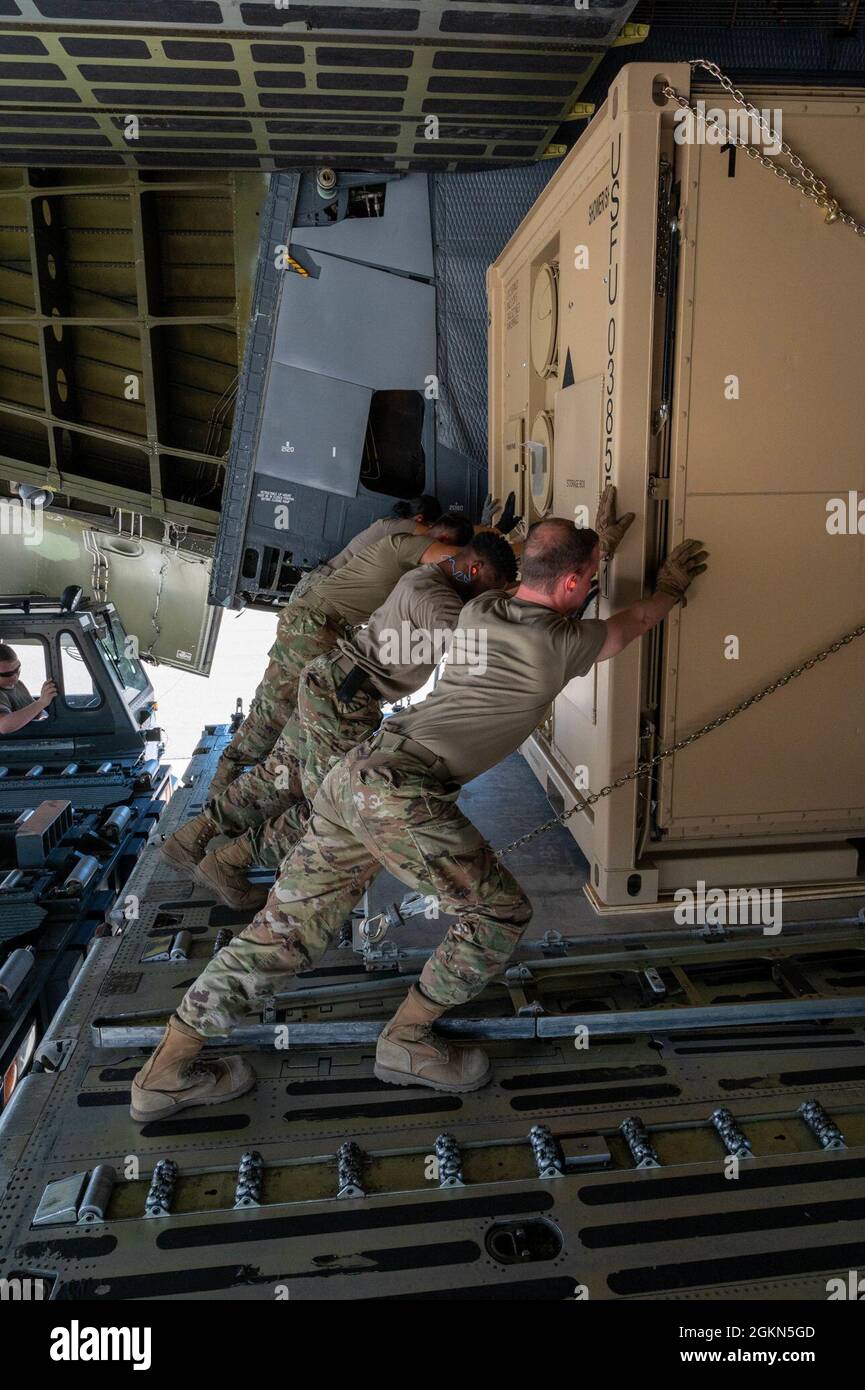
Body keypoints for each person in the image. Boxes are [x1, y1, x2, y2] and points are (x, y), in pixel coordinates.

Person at [130, 493, 708, 1122]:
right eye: (591, 577)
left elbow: (543, 581)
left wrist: (595, 547)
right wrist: (671, 589)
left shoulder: (484, 608)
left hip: (359, 775)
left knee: (284, 932)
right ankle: (405, 1040)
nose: (593, 585)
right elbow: (631, 624)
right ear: (574, 582)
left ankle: (164, 1071)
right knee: (499, 913)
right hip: (401, 790)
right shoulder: (561, 646)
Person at [165, 531, 519, 908]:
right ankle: (230, 861)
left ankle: (190, 838)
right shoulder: (438, 599)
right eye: (487, 588)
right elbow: (477, 648)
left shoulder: (425, 576)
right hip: (346, 700)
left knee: (282, 775)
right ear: (474, 568)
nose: (485, 598)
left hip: (329, 683)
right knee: (339, 807)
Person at [203, 511, 474, 802]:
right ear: (443, 538)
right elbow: (464, 559)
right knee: (274, 711)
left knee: (286, 712)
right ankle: (223, 792)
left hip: (318, 626)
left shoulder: (406, 555)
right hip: (314, 626)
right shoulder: (405, 544)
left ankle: (243, 793)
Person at [288, 495, 447, 606]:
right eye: (431, 525)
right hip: (322, 588)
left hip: (320, 585)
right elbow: (434, 539)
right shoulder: (402, 526)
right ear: (420, 519)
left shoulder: (393, 526)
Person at [0, 644, 57, 734]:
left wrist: (42, 716)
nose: (15, 677)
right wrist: (41, 703)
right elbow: (3, 726)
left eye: (17, 669)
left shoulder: (18, 685)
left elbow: (38, 712)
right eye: (7, 674)